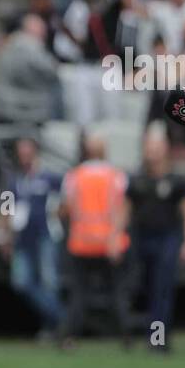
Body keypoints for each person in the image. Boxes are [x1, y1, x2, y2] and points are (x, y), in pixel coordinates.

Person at [127, 132, 185, 352]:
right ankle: (147, 334)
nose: (152, 152)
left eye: (156, 147)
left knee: (161, 289)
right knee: (145, 287)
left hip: (167, 238)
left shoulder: (177, 182)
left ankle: (158, 339)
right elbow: (125, 209)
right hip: (142, 237)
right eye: (149, 147)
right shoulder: (138, 181)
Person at [59, 134, 131, 347]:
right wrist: (115, 237)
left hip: (81, 243)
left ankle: (70, 338)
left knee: (79, 293)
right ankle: (126, 336)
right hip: (111, 243)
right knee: (118, 291)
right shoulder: (116, 176)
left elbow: (65, 208)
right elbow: (123, 209)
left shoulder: (74, 176)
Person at [0, 138, 62, 340]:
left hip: (45, 234)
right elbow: (6, 210)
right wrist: (6, 237)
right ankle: (61, 318)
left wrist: (58, 214)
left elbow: (65, 199)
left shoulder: (49, 178)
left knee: (49, 281)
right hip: (22, 238)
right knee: (22, 282)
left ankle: (52, 327)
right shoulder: (14, 182)